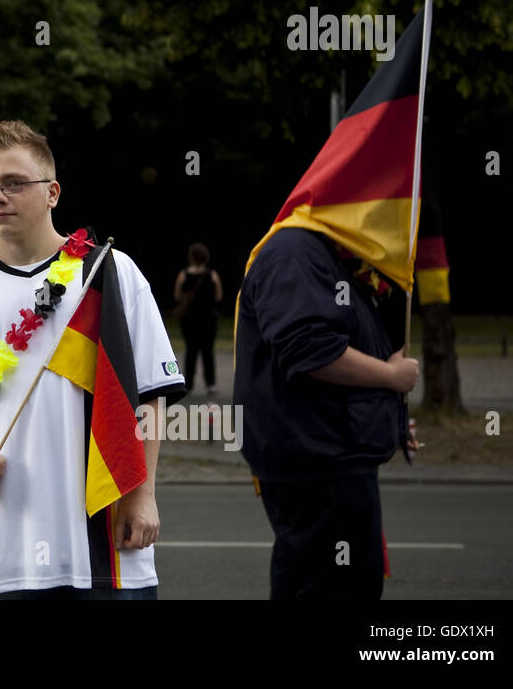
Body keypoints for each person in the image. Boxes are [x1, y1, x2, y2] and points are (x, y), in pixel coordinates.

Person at [0, 121, 185, 598]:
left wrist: (143, 494)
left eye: (15, 183)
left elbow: (149, 394)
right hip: (8, 549)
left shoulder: (108, 272)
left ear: (52, 192)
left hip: (105, 537)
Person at [235, 227, 416, 600]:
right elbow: (309, 349)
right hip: (319, 461)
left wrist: (391, 418)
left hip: (330, 455)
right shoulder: (295, 253)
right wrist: (392, 377)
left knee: (346, 585)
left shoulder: (320, 253)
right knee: (330, 587)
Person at [173, 242, 222, 396]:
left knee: (191, 351)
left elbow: (177, 295)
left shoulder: (183, 274)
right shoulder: (212, 274)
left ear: (192, 257)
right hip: (208, 319)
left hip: (189, 320)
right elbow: (218, 296)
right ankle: (211, 384)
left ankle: (189, 384)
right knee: (208, 352)